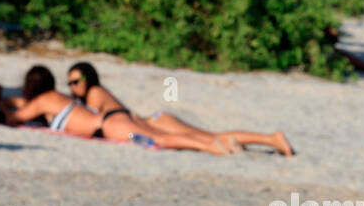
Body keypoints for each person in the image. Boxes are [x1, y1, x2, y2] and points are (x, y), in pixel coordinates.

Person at [67, 62, 293, 156]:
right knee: (209, 135)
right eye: (70, 83)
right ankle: (272, 139)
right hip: (154, 118)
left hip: (135, 123)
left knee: (167, 140)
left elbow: (90, 121)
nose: (73, 87)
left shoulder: (94, 94)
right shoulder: (100, 91)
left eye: (77, 81)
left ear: (89, 79)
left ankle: (214, 148)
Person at [1, 66, 104, 136]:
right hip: (101, 120)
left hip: (99, 128)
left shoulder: (42, 101)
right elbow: (26, 104)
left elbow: (11, 119)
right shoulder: (57, 97)